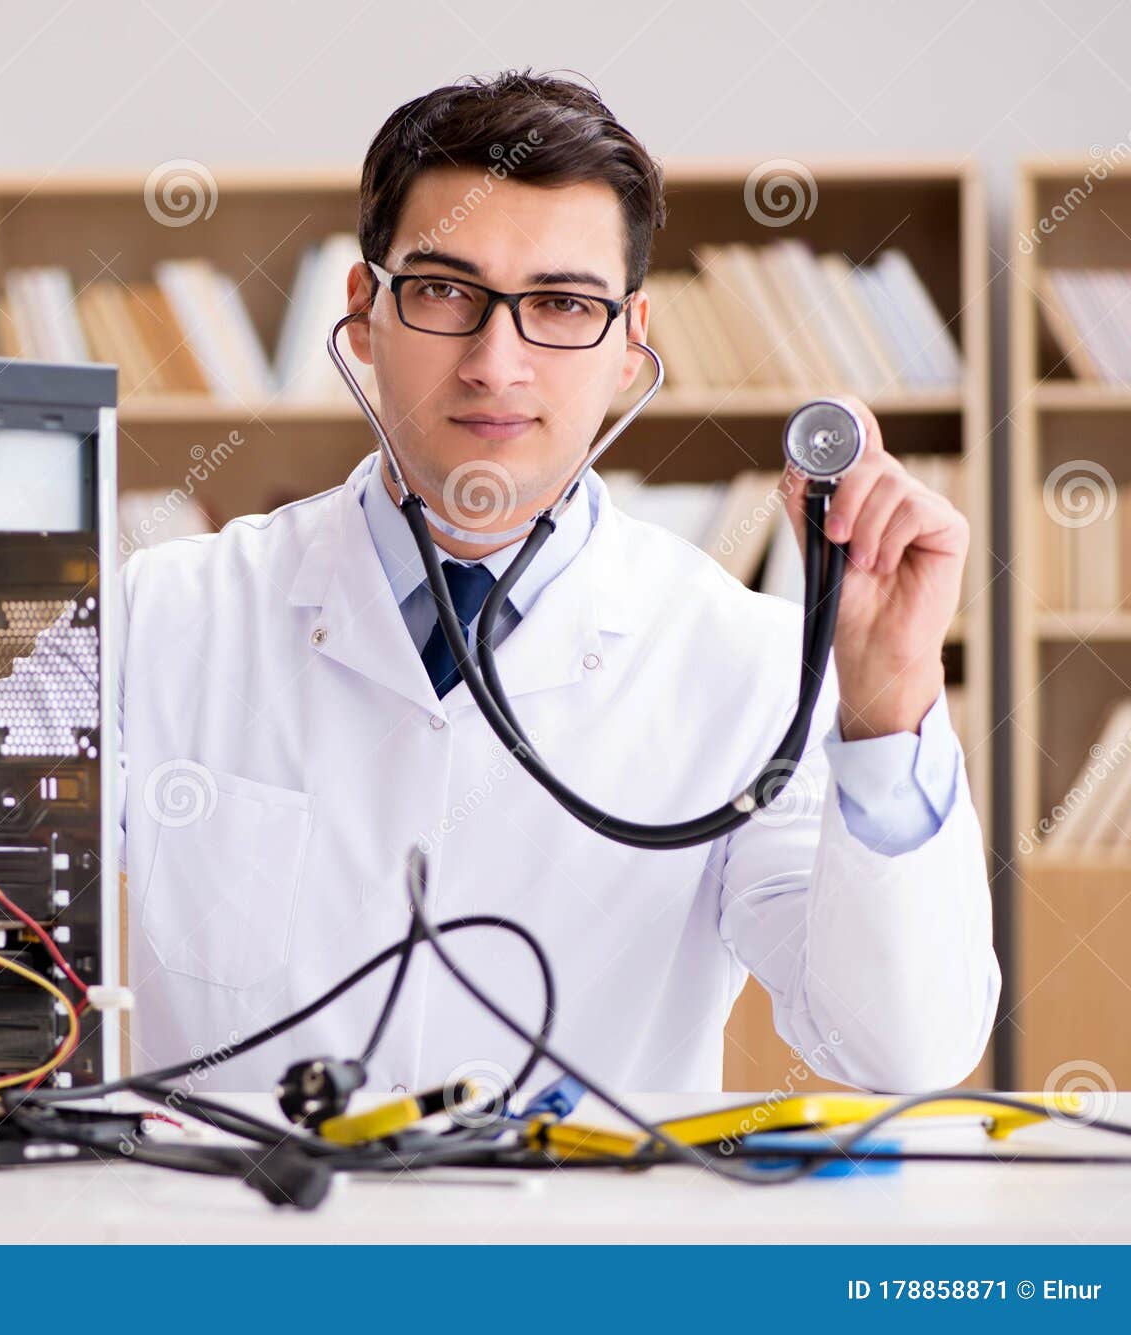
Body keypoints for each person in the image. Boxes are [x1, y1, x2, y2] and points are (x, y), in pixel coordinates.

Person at [113, 69, 998, 1095]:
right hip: (245, 1246)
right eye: (446, 291)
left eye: (562, 305)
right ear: (364, 313)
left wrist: (887, 706)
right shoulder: (159, 614)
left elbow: (901, 1051)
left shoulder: (746, 663)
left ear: (629, 345)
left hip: (583, 1250)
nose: (498, 362)